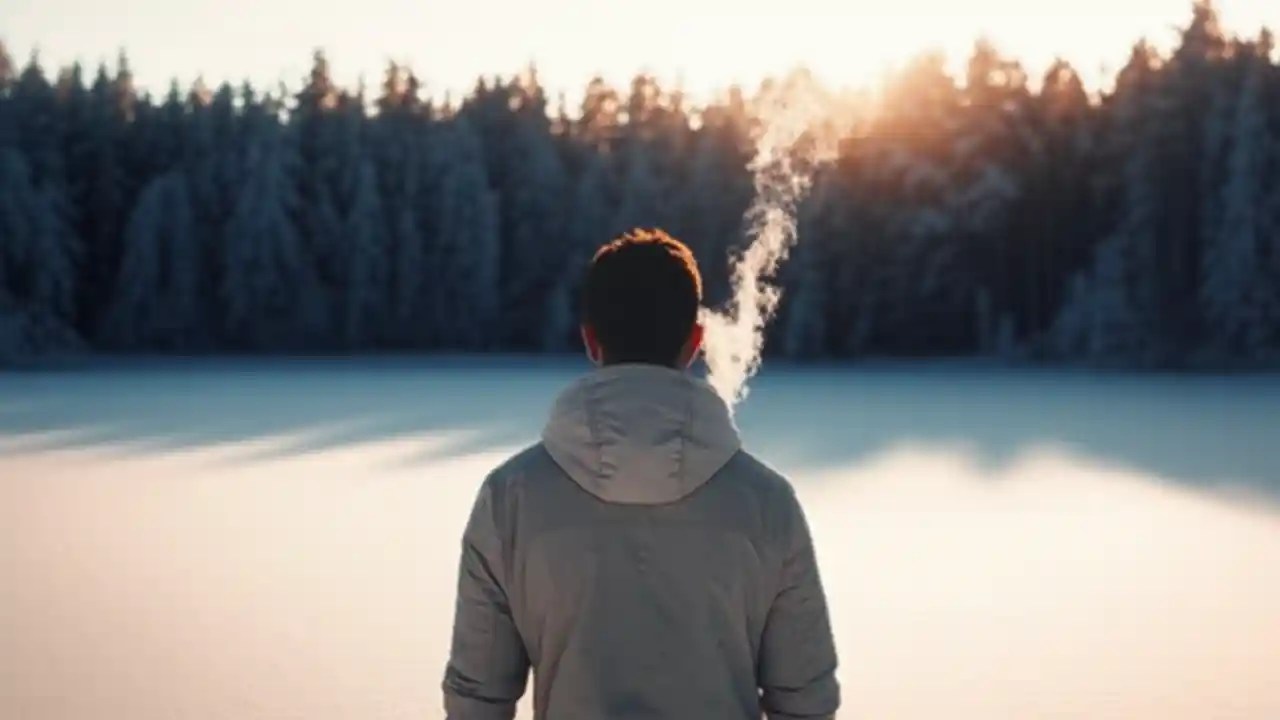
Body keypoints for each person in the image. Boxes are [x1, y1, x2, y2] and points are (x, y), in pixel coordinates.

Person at [443, 228, 839, 719]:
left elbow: (476, 701)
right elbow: (806, 702)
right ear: (695, 341)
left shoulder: (509, 499)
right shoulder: (769, 503)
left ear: (591, 340)